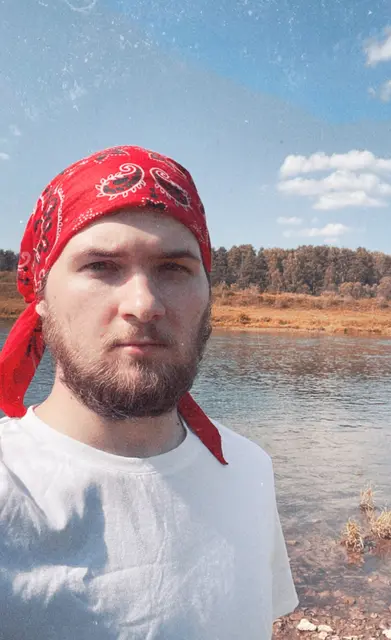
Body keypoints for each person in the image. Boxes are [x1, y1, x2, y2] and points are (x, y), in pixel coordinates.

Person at [0, 145, 298, 639]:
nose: (143, 305)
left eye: (174, 268)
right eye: (101, 265)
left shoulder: (248, 470)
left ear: (208, 295)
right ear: (42, 297)